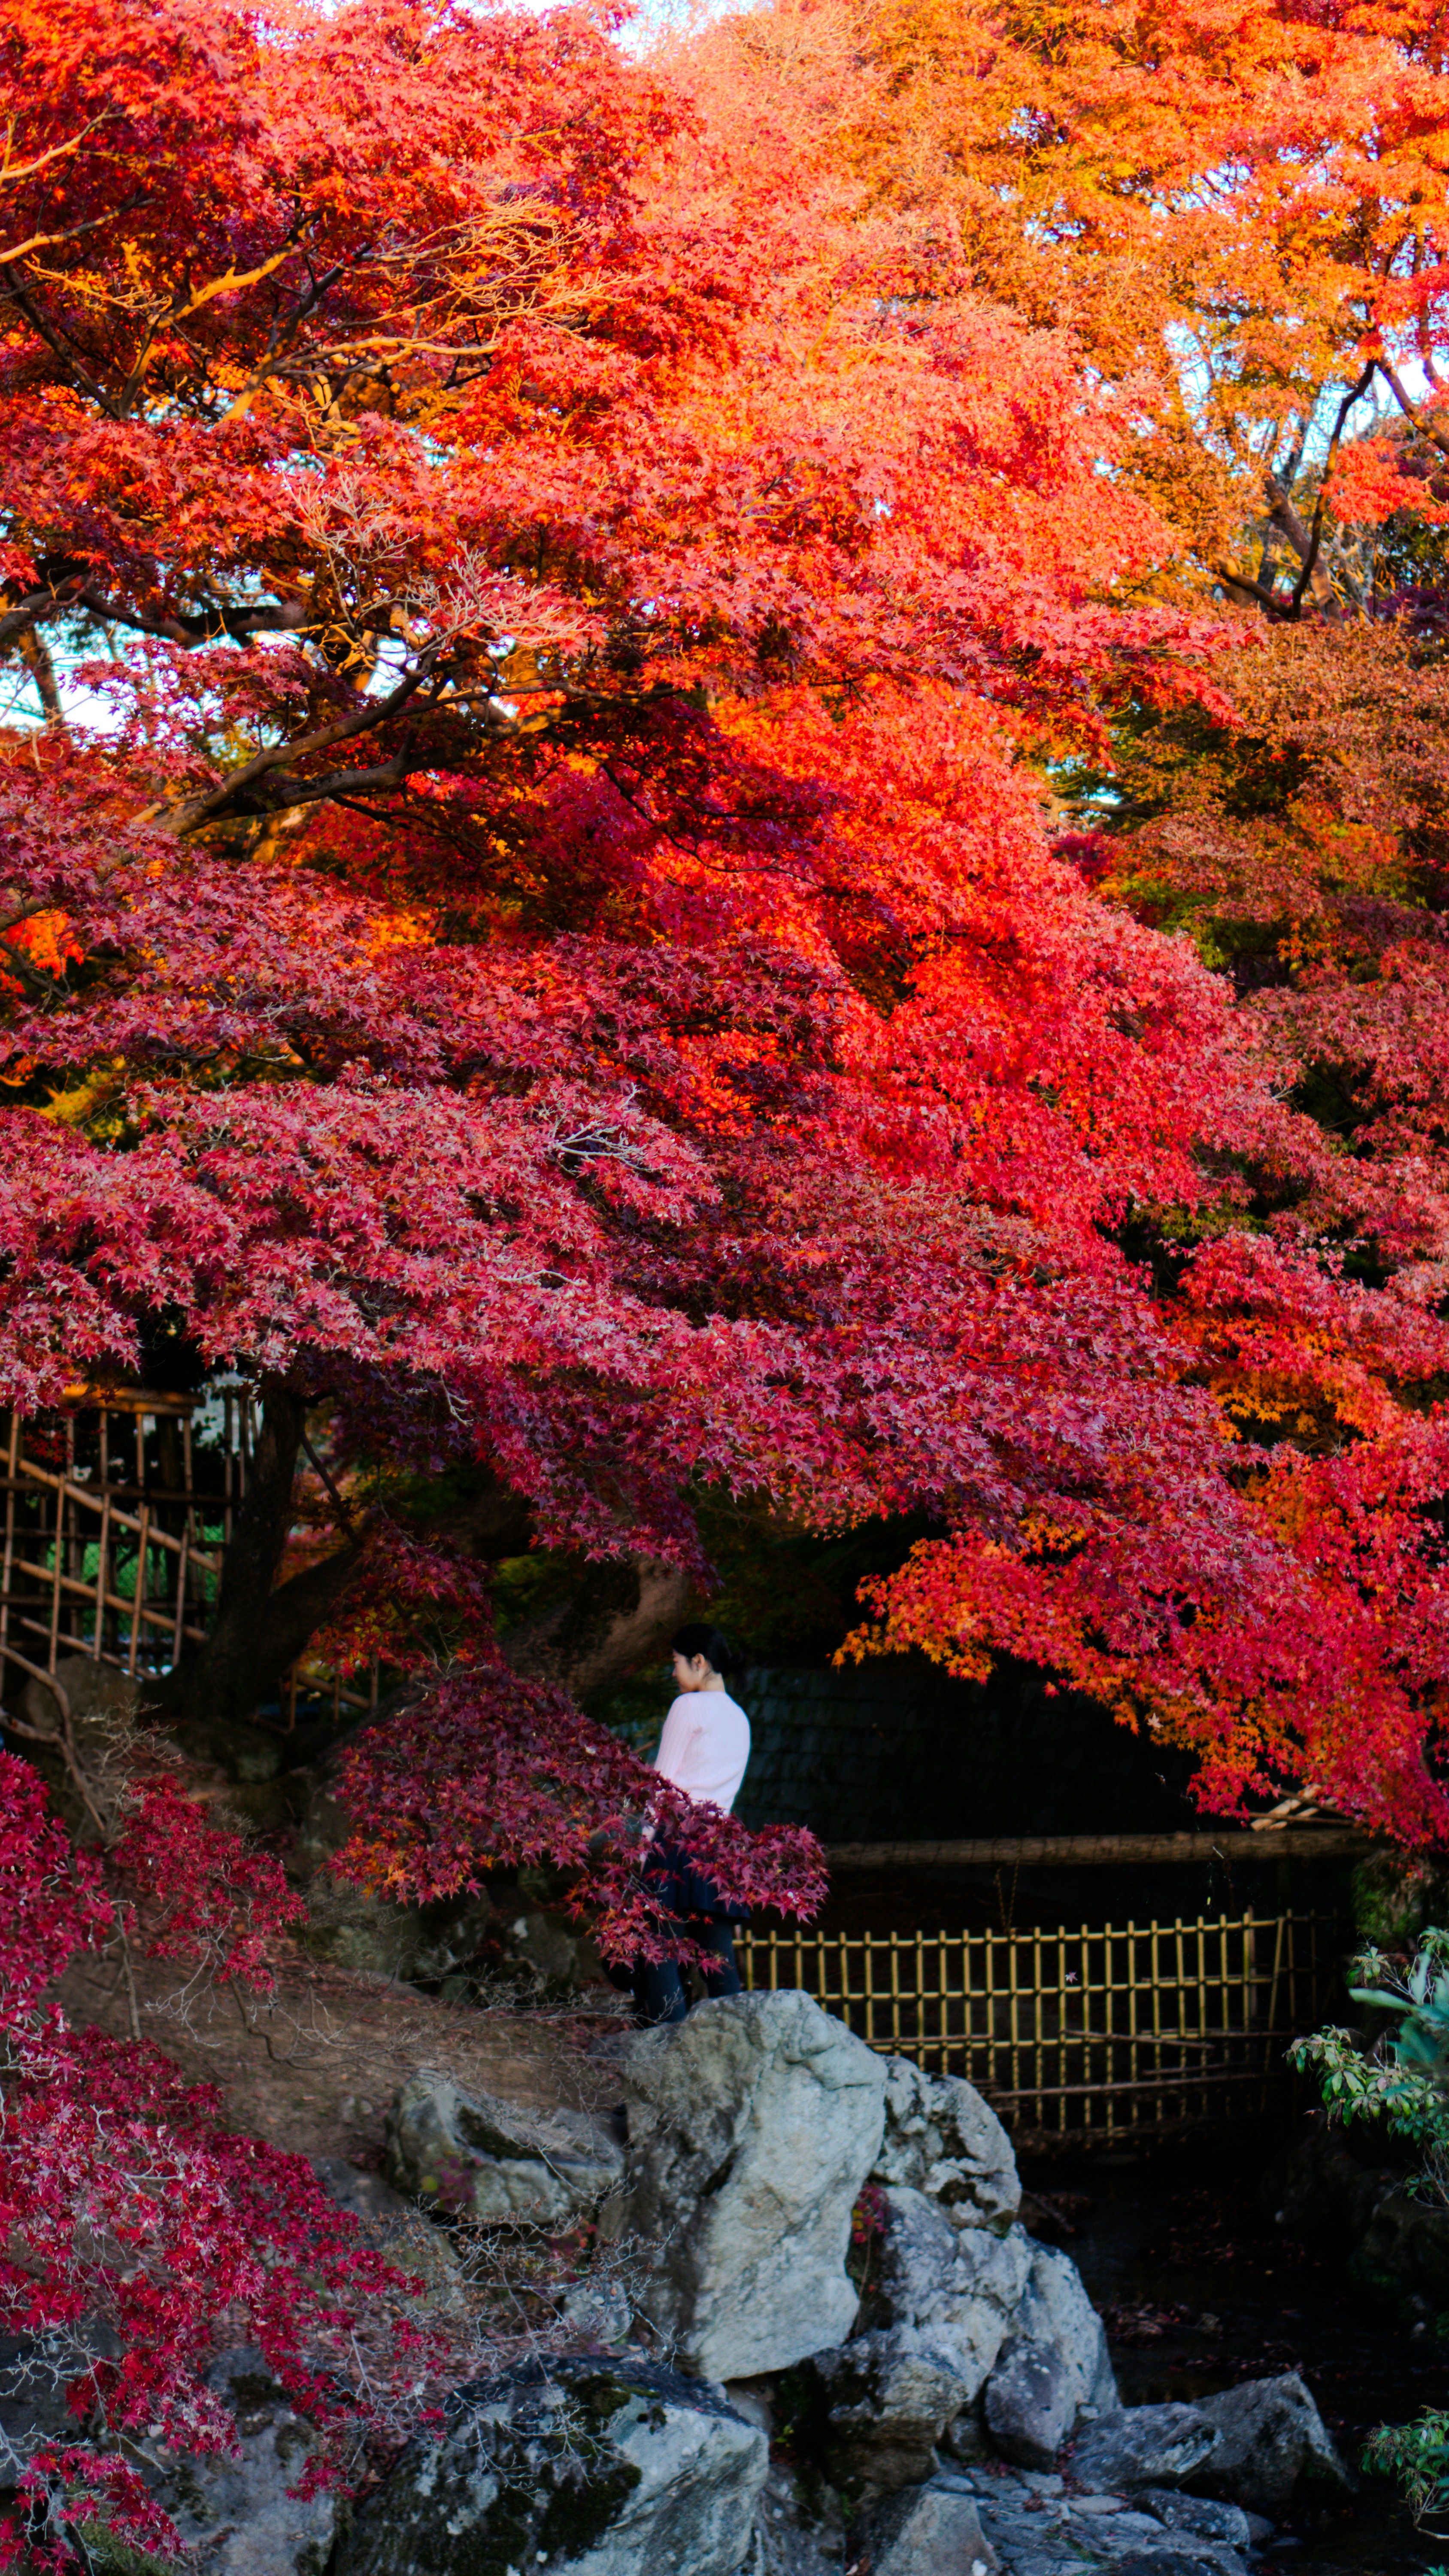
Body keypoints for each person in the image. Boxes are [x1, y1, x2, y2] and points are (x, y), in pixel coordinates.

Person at [632, 1622, 752, 2027]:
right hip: (720, 1848)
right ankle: (739, 2045)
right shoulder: (740, 1718)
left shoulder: (688, 1707)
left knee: (661, 1953)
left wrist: (643, 1848)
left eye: (676, 1663)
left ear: (698, 1662)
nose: (673, 1673)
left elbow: (662, 1786)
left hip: (676, 1841)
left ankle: (667, 2057)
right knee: (720, 1963)